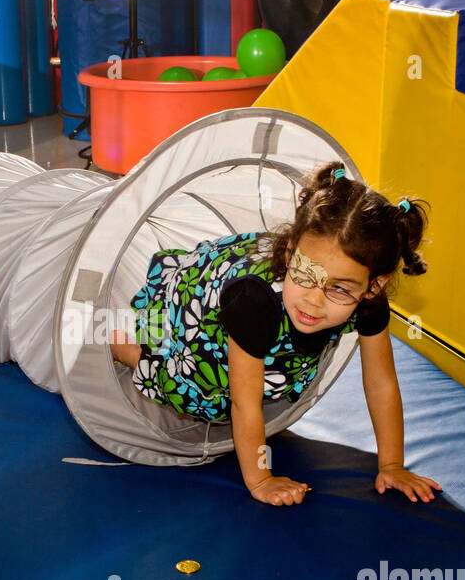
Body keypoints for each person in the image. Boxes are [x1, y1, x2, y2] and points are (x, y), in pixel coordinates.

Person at [109, 162, 442, 507]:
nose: (314, 300)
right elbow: (245, 402)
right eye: (306, 273)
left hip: (260, 309)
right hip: (198, 306)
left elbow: (381, 382)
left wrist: (391, 465)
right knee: (202, 392)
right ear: (291, 251)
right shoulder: (254, 302)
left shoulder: (370, 303)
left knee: (261, 372)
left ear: (374, 286)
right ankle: (126, 348)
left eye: (339, 289)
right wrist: (261, 479)